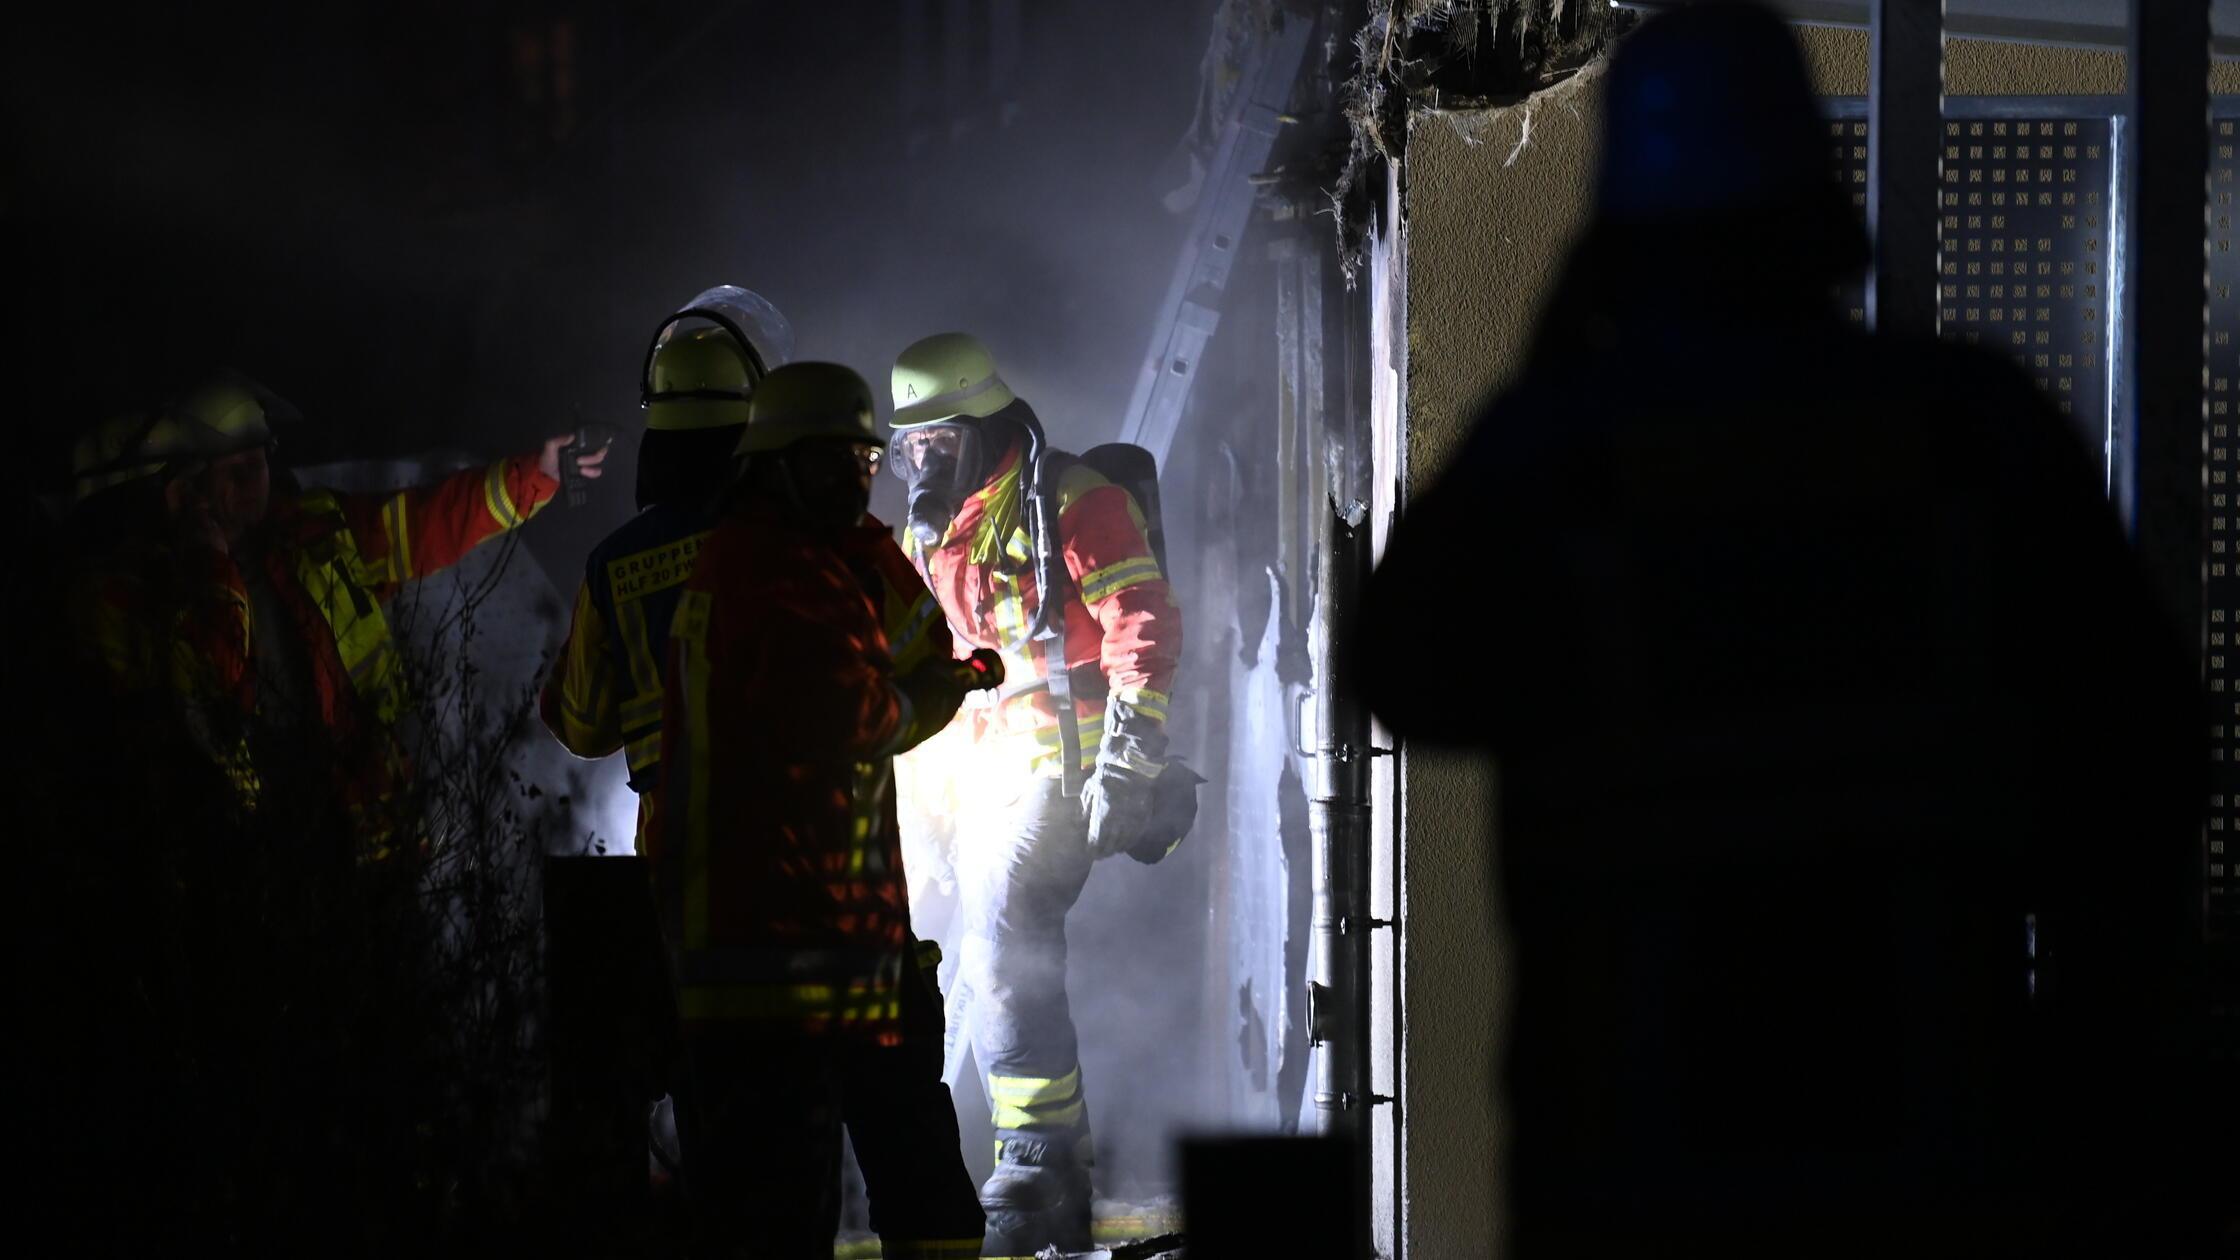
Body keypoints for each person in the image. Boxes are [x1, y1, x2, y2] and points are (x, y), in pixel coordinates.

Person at [1358, 4, 2204, 1254]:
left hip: (1636, 1145)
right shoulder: (1967, 429)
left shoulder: (1564, 452)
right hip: (1922, 1124)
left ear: (1615, 238)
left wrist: (1552, 363)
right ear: (1820, 203)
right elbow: (2146, 753)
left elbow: (1404, 675)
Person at [653, 360, 994, 1259]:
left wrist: (873, 550)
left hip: (846, 944)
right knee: (786, 1216)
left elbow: (927, 637)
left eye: (866, 460)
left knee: (928, 1196)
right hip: (774, 961)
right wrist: (940, 693)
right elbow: (858, 717)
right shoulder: (767, 575)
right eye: (834, 460)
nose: (858, 477)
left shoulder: (825, 557)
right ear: (773, 464)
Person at [886, 332, 1190, 1256]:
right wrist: (922, 814)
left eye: (937, 440)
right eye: (908, 447)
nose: (922, 461)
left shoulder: (1072, 500)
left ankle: (1033, 1153)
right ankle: (1057, 1175)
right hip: (976, 773)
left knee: (1005, 931)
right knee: (950, 950)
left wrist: (1130, 763)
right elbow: (921, 666)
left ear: (982, 423)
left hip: (1070, 769)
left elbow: (1143, 625)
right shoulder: (927, 539)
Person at [71, 374, 605, 854]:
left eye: (257, 462)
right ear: (189, 489)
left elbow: (429, 523)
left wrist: (534, 474)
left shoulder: (316, 532)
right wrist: (210, 563)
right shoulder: (161, 591)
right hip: (249, 845)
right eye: (232, 470)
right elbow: (205, 694)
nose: (251, 481)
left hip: (360, 828)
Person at [541, 285, 792, 846]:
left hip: (681, 864)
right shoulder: (806, 533)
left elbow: (580, 727)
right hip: (803, 850)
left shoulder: (612, 567)